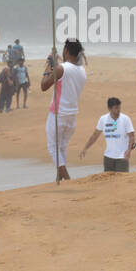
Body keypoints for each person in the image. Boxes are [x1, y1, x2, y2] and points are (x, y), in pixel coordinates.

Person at [39, 39, 88, 181]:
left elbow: (43, 85)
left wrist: (50, 64)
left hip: (58, 114)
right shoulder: (82, 71)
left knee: (53, 147)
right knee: (62, 148)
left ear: (66, 51)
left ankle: (66, 178)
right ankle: (59, 177)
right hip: (72, 115)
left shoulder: (62, 68)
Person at [79, 97, 136, 172]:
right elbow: (95, 136)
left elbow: (131, 136)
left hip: (122, 157)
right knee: (108, 181)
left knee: (121, 181)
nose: (118, 110)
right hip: (108, 157)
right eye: (116, 108)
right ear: (109, 108)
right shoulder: (103, 119)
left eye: (119, 107)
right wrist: (85, 148)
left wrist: (129, 150)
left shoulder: (125, 119)